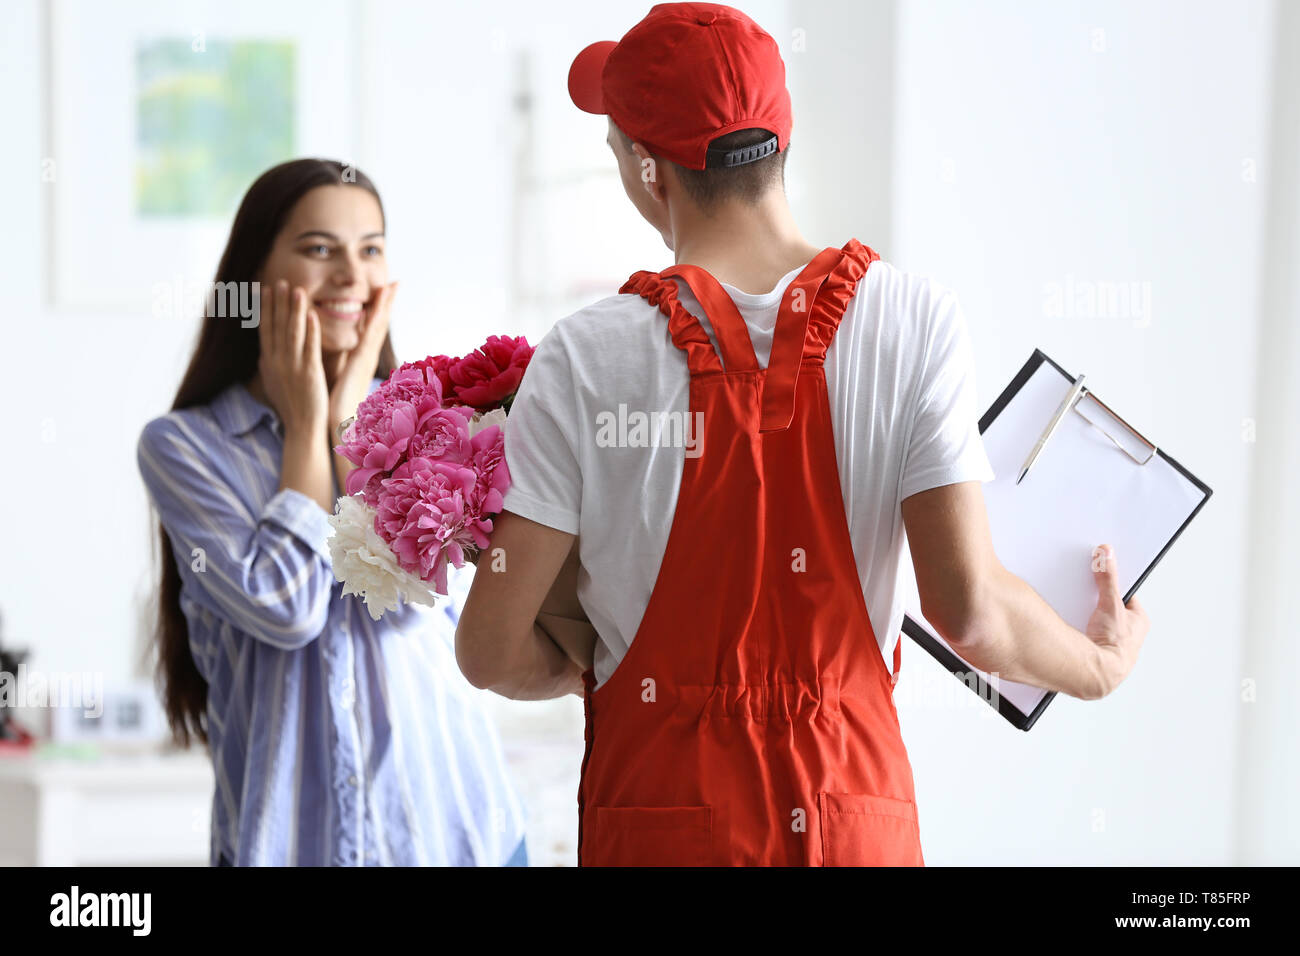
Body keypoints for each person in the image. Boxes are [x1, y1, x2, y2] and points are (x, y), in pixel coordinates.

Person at [455, 2, 1149, 866]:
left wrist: (595, 661)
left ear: (645, 170)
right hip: (850, 821)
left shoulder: (584, 357)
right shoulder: (913, 319)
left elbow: (488, 650)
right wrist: (1096, 666)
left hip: (658, 821)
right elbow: (969, 611)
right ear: (784, 141)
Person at [138, 159, 528, 866]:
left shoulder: (437, 423)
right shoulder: (185, 446)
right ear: (254, 277)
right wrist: (304, 426)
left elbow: (417, 604)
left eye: (370, 248)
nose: (352, 275)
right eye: (320, 249)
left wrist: (353, 425)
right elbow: (286, 607)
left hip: (459, 840)